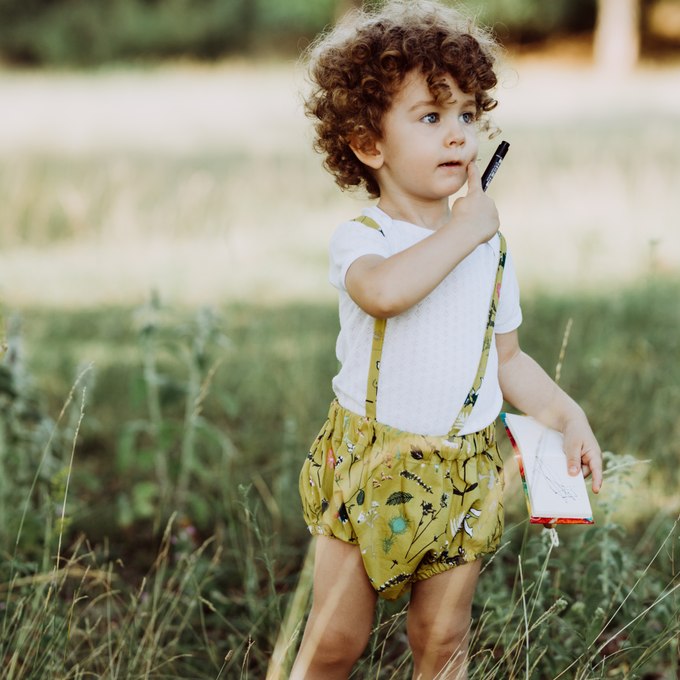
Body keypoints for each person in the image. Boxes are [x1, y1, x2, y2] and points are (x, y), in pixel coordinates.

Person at [292, 2, 603, 678]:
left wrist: (565, 414)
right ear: (369, 144)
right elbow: (383, 293)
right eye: (431, 118)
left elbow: (508, 360)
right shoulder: (365, 240)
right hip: (370, 466)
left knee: (441, 639)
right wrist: (463, 232)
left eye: (467, 115)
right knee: (334, 643)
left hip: (461, 472)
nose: (458, 136)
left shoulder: (490, 251)